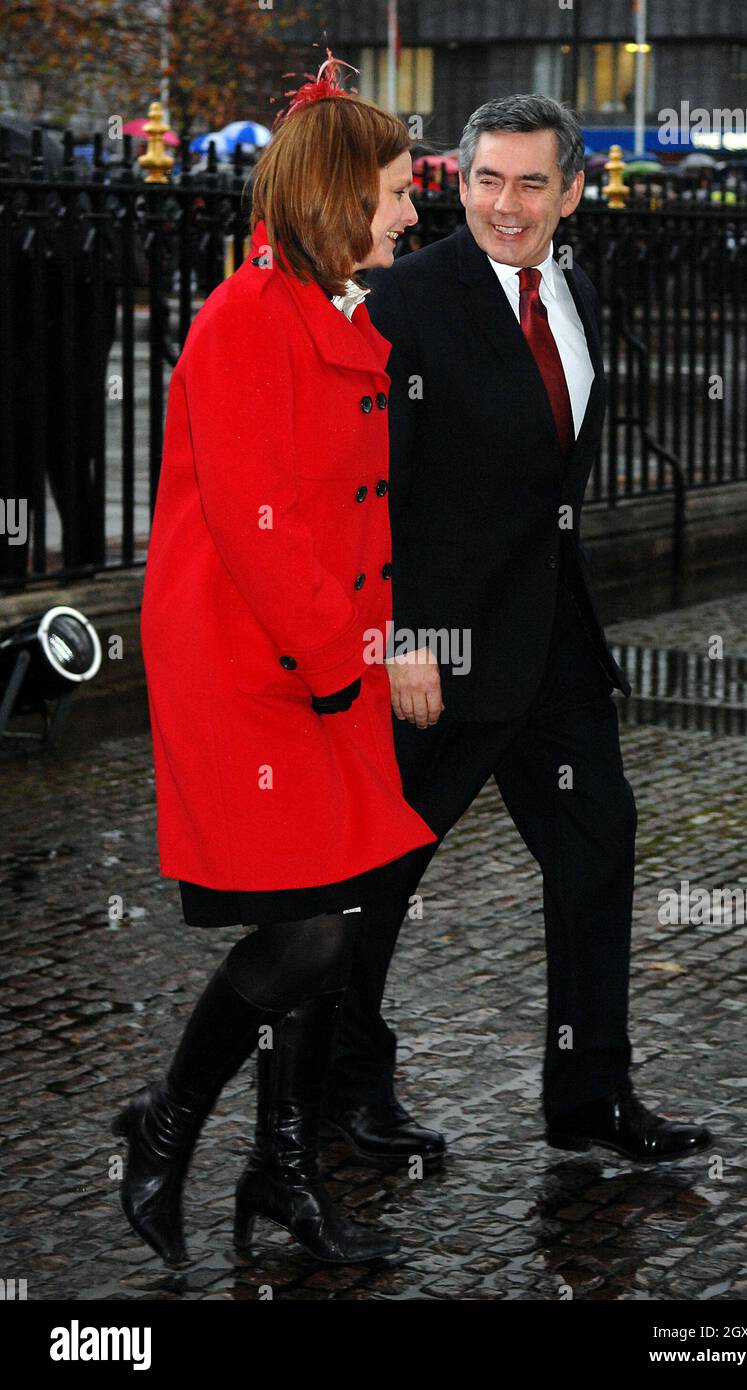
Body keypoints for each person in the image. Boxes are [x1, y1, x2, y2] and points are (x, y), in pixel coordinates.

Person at [322, 95, 714, 1167]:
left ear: (572, 192)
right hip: (437, 655)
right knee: (379, 878)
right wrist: (402, 636)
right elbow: (371, 486)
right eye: (486, 179)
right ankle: (345, 1092)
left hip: (554, 644)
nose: (506, 204)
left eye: (532, 183)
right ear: (459, 182)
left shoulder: (577, 290)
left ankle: (590, 1096)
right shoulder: (402, 299)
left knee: (597, 850)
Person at [111, 59, 438, 1267]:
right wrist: (344, 659)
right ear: (338, 195)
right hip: (253, 665)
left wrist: (369, 650)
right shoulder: (249, 316)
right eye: (397, 192)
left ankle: (282, 1174)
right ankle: (165, 1124)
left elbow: (349, 514)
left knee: (333, 922)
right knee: (305, 935)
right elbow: (261, 528)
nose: (411, 211)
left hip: (320, 657)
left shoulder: (328, 306)